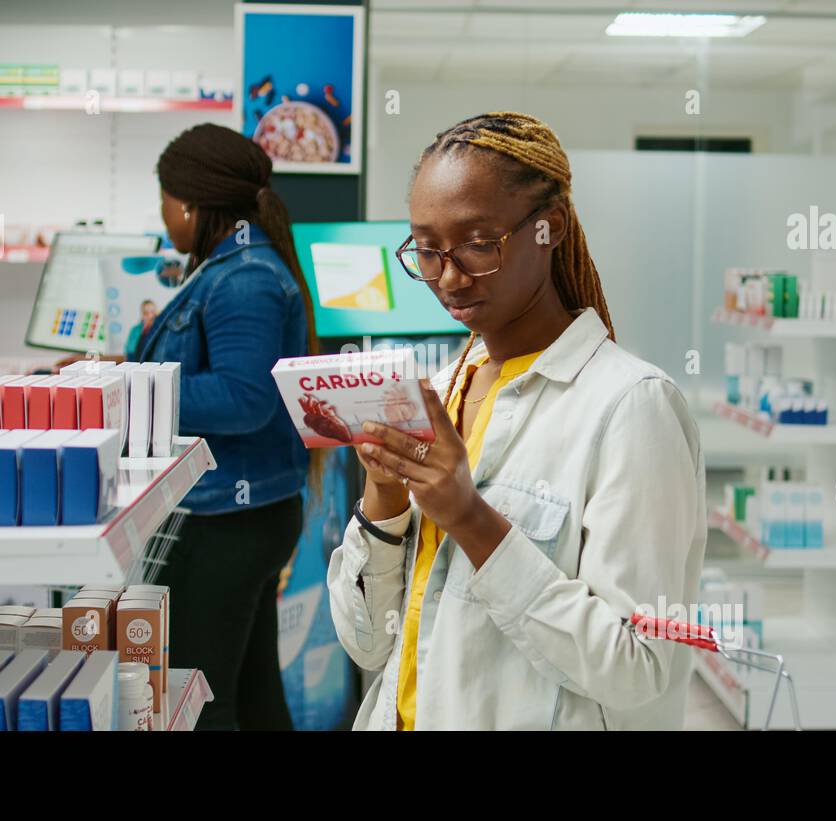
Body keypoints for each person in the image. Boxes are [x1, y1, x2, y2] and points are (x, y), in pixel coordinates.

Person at [327, 112, 707, 730]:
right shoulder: (448, 388)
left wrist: (470, 518)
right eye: (426, 249)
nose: (448, 276)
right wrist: (385, 497)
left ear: (547, 229)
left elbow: (639, 667)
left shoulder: (631, 406)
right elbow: (369, 644)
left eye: (478, 243)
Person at [140, 123, 318, 730]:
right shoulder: (224, 266)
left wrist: (131, 392)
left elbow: (246, 398)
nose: (164, 216)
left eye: (164, 199)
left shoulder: (243, 277)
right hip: (241, 512)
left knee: (200, 701)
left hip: (226, 520)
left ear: (190, 201)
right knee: (251, 687)